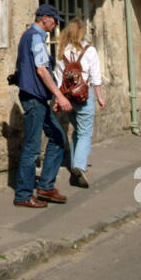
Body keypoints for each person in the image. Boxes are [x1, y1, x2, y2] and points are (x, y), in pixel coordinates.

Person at [12, 3, 71, 208]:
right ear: (44, 18)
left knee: (57, 137)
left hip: (38, 97)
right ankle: (23, 195)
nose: (55, 24)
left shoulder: (31, 36)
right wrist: (60, 97)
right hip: (33, 98)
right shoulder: (35, 37)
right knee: (32, 147)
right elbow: (42, 71)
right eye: (54, 20)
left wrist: (52, 97)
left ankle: (45, 186)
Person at [54, 17, 105, 187]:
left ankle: (75, 162)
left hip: (68, 97)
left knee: (78, 129)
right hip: (84, 96)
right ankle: (78, 167)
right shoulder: (89, 50)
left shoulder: (62, 51)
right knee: (85, 132)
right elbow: (96, 76)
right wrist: (99, 96)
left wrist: (57, 99)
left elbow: (57, 78)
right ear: (82, 32)